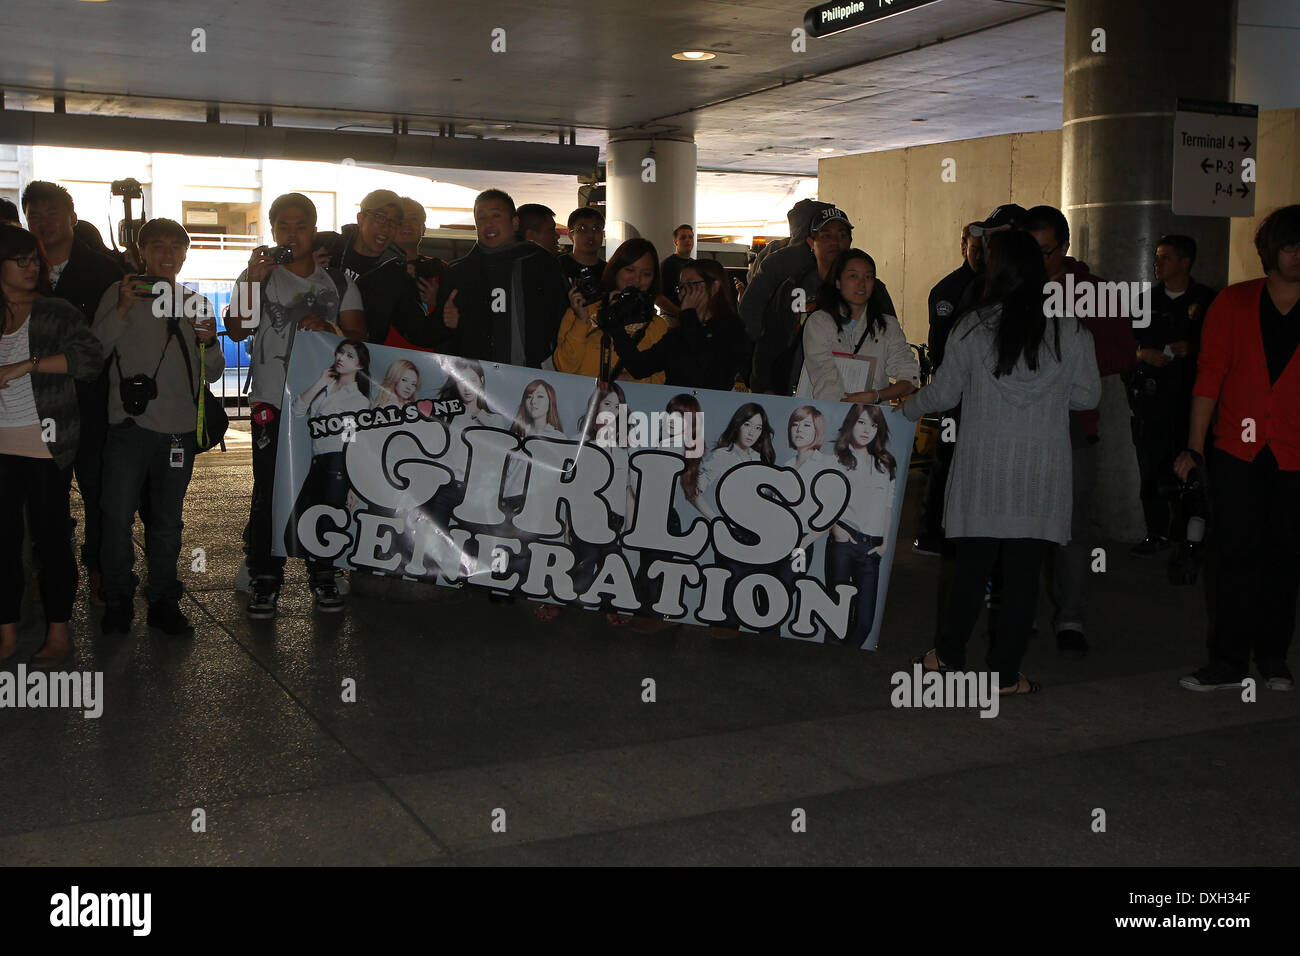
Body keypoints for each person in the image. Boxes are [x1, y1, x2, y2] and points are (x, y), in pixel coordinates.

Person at [903, 229, 1101, 695]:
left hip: (982, 469)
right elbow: (1088, 395)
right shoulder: (1068, 329)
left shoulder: (972, 326)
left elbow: (946, 392)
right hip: (1040, 472)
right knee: (1022, 579)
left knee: (970, 571)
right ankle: (1005, 674)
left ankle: (947, 657)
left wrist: (903, 409)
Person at [1176, 205, 1300, 693]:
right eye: (1290, 246)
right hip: (1238, 451)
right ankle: (1228, 662)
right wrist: (1194, 447)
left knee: (1285, 558)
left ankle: (1273, 658)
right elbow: (1210, 377)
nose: (1297, 256)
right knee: (1232, 556)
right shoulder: (1233, 303)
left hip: (1295, 455)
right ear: (1270, 251)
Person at [226, 193, 364, 618]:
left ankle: (324, 575)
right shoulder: (257, 277)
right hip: (272, 400)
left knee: (328, 487)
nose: (291, 233)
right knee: (269, 488)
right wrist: (251, 277)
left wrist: (329, 328)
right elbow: (235, 328)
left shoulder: (338, 281)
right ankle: (265, 579)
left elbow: (359, 339)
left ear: (315, 226)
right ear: (271, 231)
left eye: (300, 224)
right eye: (282, 225)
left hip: (330, 407)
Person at [92, 219, 224, 636]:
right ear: (141, 252)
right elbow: (94, 351)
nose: (167, 255)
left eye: (175, 247)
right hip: (128, 426)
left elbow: (215, 373)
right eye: (157, 246)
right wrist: (123, 310)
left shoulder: (196, 302)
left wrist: (209, 341)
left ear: (185, 254)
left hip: (178, 430)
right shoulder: (119, 294)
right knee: (114, 516)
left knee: (168, 520)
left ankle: (164, 598)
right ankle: (117, 597)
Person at [1020, 205, 1136, 657]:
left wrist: (1067, 369)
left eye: (1045, 253)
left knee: (1070, 526)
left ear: (1064, 247)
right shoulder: (1011, 287)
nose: (1036, 262)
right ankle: (1020, 610)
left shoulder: (1091, 292)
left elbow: (1124, 354)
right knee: (1020, 523)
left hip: (1072, 421)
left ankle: (1071, 616)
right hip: (1018, 423)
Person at [0, 225, 103, 667]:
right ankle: (6, 633)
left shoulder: (55, 311)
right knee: (2, 543)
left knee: (52, 539)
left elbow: (90, 360)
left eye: (34, 260)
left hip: (45, 442)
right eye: (19, 260)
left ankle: (59, 632)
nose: (30, 268)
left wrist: (29, 365)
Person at [21, 181, 124, 603]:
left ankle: (100, 568)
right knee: (46, 496)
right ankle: (51, 570)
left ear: (72, 218)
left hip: (94, 401)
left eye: (51, 214)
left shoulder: (105, 271)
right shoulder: (20, 271)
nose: (43, 223)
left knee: (100, 490)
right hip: (37, 403)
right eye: (35, 215)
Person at [1127, 234, 1217, 555]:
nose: (1157, 263)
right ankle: (1156, 533)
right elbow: (1126, 345)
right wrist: (1143, 355)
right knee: (1150, 468)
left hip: (1190, 402)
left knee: (1192, 470)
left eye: (1165, 257)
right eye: (1157, 257)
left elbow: (1222, 351)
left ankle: (1192, 535)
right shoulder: (1144, 301)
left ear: (1185, 261)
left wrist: (1193, 349)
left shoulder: (1207, 300)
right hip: (1151, 402)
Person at [749, 207, 899, 395]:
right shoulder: (794, 287)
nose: (835, 242)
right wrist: (764, 388)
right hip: (797, 389)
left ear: (850, 243)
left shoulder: (872, 288)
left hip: (860, 394)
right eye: (826, 236)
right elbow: (769, 344)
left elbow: (892, 340)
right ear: (812, 243)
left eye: (842, 236)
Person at [915, 218, 996, 556]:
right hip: (957, 395)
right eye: (974, 249)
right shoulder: (948, 291)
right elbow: (941, 350)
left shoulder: (996, 287)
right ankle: (933, 533)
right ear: (964, 248)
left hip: (986, 395)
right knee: (947, 461)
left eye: (985, 250)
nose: (979, 256)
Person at [434, 189, 569, 368]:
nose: (488, 224)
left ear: (514, 223)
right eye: (481, 218)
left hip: (532, 378)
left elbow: (563, 321)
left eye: (496, 216)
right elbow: (441, 337)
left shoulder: (540, 264)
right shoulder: (458, 272)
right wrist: (447, 324)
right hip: (476, 381)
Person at [284, 338, 371, 611]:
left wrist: (353, 482)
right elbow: (298, 410)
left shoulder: (357, 399)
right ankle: (321, 577)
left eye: (349, 355)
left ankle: (325, 579)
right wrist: (321, 383)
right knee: (307, 522)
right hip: (317, 462)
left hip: (338, 464)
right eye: (340, 352)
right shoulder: (326, 386)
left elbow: (353, 442)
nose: (341, 358)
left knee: (326, 524)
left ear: (359, 365)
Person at [797, 248, 918, 404]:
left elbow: (910, 376)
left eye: (868, 277)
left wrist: (876, 396)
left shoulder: (888, 326)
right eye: (853, 276)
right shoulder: (819, 322)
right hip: (827, 414)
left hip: (872, 419)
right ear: (838, 282)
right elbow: (825, 379)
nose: (861, 283)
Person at [606, 258, 747, 391]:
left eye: (691, 284)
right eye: (681, 286)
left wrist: (689, 315)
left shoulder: (731, 327)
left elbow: (707, 370)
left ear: (715, 286)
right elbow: (640, 367)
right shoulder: (679, 333)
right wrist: (615, 326)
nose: (684, 292)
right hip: (676, 411)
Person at [628, 393, 706, 632]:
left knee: (653, 573)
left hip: (662, 519)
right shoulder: (668, 445)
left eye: (681, 416)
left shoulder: (675, 448)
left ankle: (662, 618)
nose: (672, 420)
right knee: (649, 572)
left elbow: (642, 484)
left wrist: (631, 444)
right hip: (654, 517)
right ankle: (659, 616)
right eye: (671, 413)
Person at [822, 404, 897, 649]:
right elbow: (824, 500)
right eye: (861, 422)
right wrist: (836, 528)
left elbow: (888, 506)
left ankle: (843, 663)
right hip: (844, 541)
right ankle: (829, 669)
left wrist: (885, 543)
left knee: (864, 621)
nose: (867, 430)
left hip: (872, 548)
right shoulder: (836, 460)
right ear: (851, 423)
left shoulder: (885, 464)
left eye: (873, 424)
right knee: (838, 614)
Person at [697, 402, 776, 631]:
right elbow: (694, 491)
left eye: (758, 428)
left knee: (751, 599)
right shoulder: (723, 455)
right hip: (730, 537)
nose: (752, 432)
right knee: (727, 599)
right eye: (748, 424)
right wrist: (717, 521)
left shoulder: (761, 459)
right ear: (737, 425)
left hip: (758, 539)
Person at [552, 238, 670, 384]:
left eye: (646, 274)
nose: (637, 279)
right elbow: (564, 367)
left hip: (627, 405)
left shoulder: (656, 325)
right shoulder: (582, 311)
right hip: (582, 403)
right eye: (630, 270)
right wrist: (581, 321)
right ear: (616, 270)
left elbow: (660, 381)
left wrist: (631, 381)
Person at [328, 189, 431, 346]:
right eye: (379, 217)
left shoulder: (395, 275)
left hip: (358, 360)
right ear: (360, 218)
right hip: (311, 349)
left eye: (393, 221)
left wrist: (445, 312)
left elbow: (419, 332)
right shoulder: (329, 247)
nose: (386, 226)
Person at [776, 405, 834, 612]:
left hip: (802, 543)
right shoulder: (785, 466)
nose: (799, 430)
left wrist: (802, 543)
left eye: (806, 425)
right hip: (776, 541)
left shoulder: (827, 465)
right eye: (795, 425)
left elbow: (831, 515)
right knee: (769, 595)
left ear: (817, 430)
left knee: (784, 593)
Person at [395, 196, 445, 332]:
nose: (406, 224)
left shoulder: (442, 269)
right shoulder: (377, 272)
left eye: (413, 219)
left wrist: (437, 302)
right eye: (401, 219)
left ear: (423, 229)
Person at [557, 207, 606, 289]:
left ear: (603, 234)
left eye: (596, 229)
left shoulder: (608, 271)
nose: (590, 235)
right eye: (582, 229)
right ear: (570, 235)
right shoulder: (557, 267)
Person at [659, 224, 694, 311]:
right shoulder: (666, 265)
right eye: (683, 237)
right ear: (675, 242)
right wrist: (679, 314)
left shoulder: (695, 264)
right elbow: (658, 297)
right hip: (672, 317)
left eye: (690, 237)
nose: (688, 240)